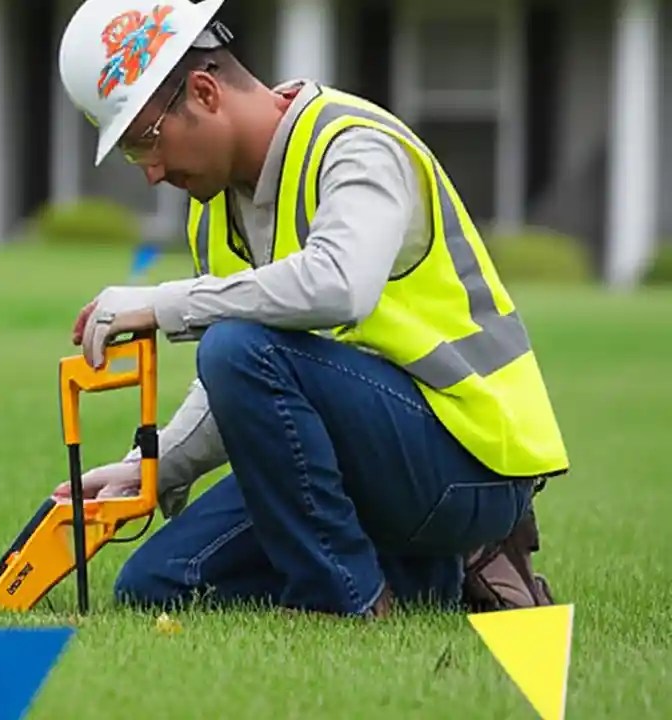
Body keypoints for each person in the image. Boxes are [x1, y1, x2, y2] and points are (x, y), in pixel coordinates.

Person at [49, 0, 568, 618]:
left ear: (207, 92)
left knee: (234, 345)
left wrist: (163, 305)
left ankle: (347, 599)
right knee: (157, 583)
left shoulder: (355, 146)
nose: (152, 173)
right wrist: (155, 465)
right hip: (370, 462)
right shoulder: (212, 210)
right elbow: (249, 385)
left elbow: (339, 286)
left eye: (145, 142)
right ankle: (436, 573)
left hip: (471, 463)